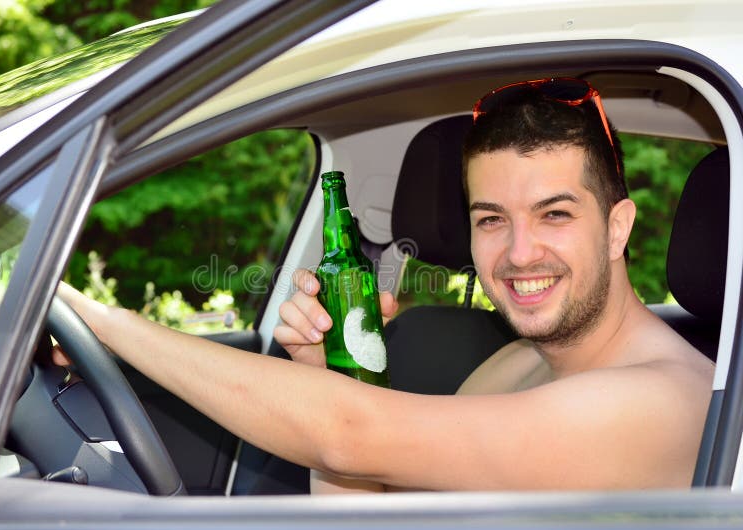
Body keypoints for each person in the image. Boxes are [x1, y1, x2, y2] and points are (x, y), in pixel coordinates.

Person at [56, 78, 714, 493]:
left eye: (555, 214)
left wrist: (108, 324)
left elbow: (350, 435)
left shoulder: (660, 400)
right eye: (491, 219)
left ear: (617, 227)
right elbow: (355, 504)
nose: (518, 253)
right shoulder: (516, 363)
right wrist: (326, 371)